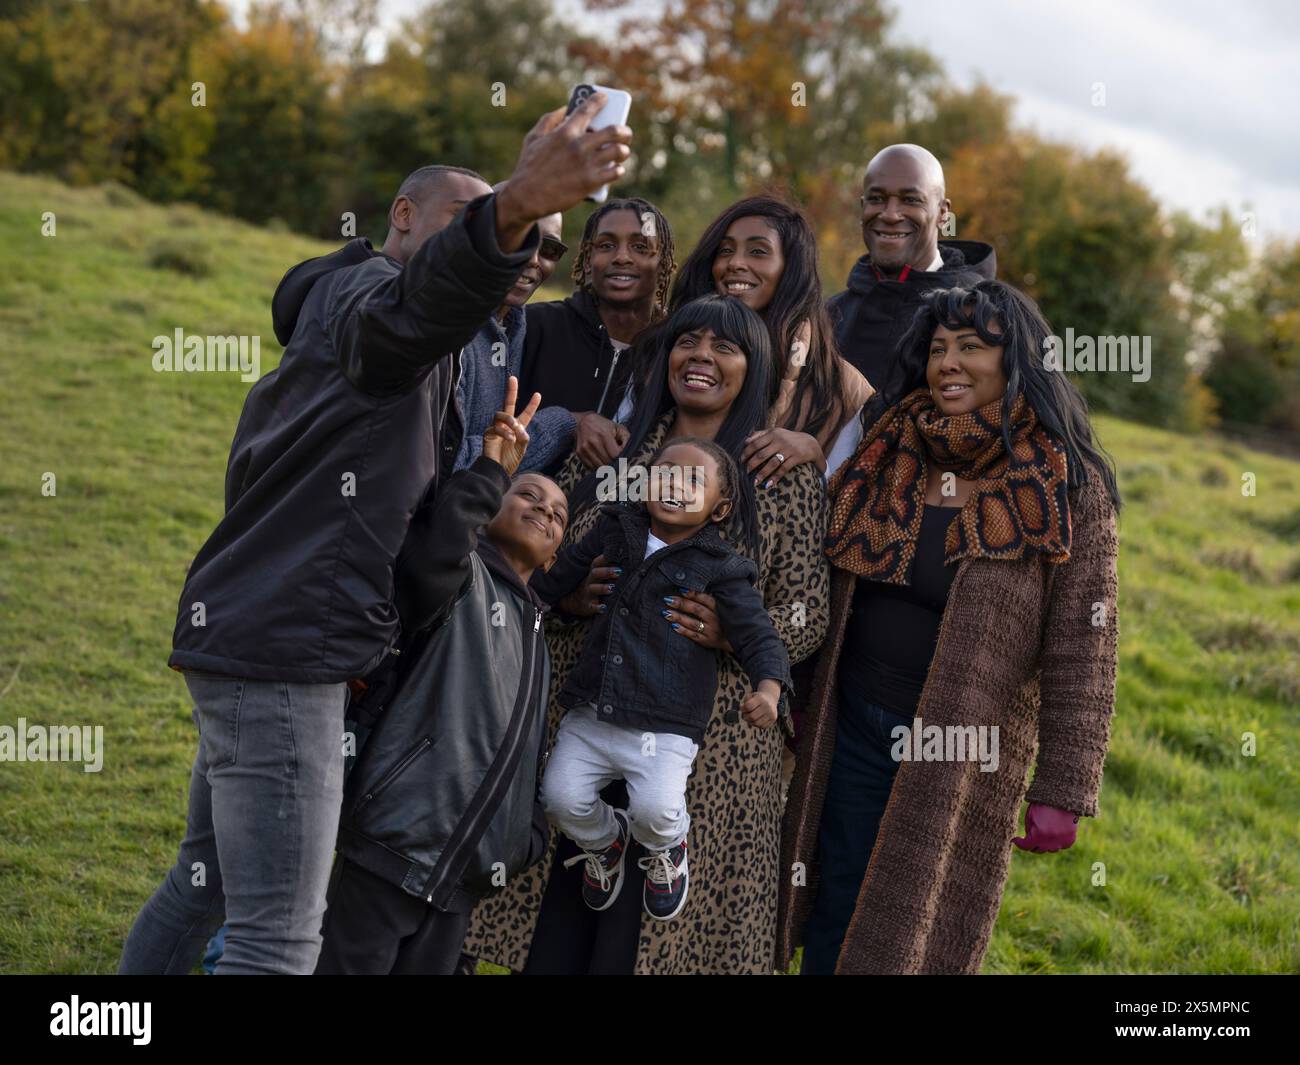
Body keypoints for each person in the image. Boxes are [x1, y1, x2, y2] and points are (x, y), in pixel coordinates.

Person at [118, 92, 634, 975]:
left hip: (262, 635)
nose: (521, 253)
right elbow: (399, 326)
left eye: (540, 246)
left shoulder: (395, 330)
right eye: (465, 221)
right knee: (277, 939)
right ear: (403, 216)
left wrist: (487, 472)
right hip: (288, 652)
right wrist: (509, 205)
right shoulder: (366, 296)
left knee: (204, 885)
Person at [463, 294, 829, 974]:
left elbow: (808, 609)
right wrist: (568, 593)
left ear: (756, 367)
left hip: (707, 740)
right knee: (563, 914)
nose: (701, 357)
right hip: (587, 704)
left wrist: (735, 633)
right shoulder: (619, 447)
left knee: (650, 942)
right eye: (688, 341)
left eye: (725, 347)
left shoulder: (779, 474)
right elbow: (540, 541)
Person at [778, 279, 1121, 974]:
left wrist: (1061, 788)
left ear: (1018, 358)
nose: (949, 364)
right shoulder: (889, 443)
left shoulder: (1067, 481)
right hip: (854, 719)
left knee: (913, 924)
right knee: (833, 895)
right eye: (938, 348)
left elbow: (1085, 643)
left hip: (961, 746)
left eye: (973, 346)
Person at [316, 380, 563, 975]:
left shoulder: (538, 634)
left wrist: (521, 838)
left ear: (555, 556)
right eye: (528, 494)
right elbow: (440, 546)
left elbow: (523, 752)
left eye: (558, 515)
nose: (544, 511)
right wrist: (490, 467)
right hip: (388, 849)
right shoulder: (459, 578)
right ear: (495, 503)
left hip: (461, 881)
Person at [533, 437, 792, 922]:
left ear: (720, 509)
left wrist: (769, 688)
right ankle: (606, 842)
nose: (675, 483)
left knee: (656, 812)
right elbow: (563, 573)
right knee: (560, 798)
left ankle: (668, 849)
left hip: (665, 724)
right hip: (594, 705)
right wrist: (528, 598)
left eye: (695, 480)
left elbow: (758, 635)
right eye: (665, 472)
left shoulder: (722, 568)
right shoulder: (616, 528)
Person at [665, 195, 873, 484]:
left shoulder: (841, 389)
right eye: (725, 251)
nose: (735, 263)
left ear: (791, 270)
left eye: (758, 252)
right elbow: (628, 454)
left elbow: (850, 503)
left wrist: (815, 459)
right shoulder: (667, 353)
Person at [518, 197, 677, 472]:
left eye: (640, 247)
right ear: (588, 259)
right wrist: (573, 422)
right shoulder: (534, 325)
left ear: (663, 262)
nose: (622, 257)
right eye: (606, 245)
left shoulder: (675, 349)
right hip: (521, 503)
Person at [829, 144, 996, 394]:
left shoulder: (986, 319)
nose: (891, 214)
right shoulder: (825, 318)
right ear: (862, 207)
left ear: (942, 213)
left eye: (910, 200)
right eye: (877, 199)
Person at [452, 191, 575, 474]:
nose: (533, 259)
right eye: (519, 240)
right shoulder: (452, 332)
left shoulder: (514, 325)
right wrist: (563, 424)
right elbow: (445, 460)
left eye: (549, 250)